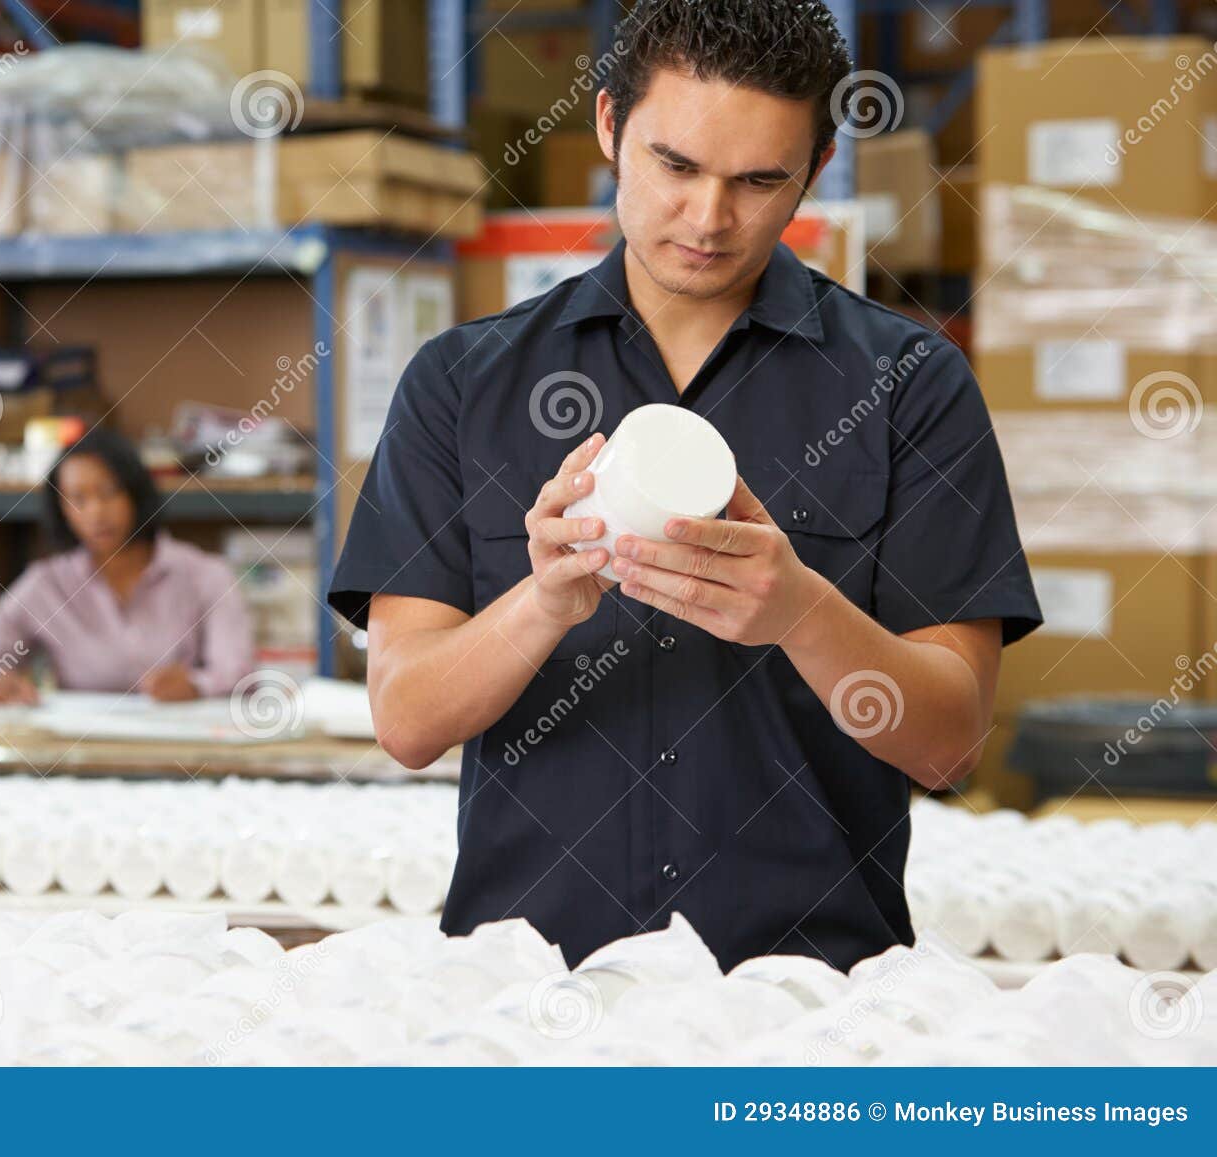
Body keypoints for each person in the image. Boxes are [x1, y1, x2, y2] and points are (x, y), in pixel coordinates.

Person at [328, 0, 1042, 971]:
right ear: (609, 126)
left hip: (803, 994)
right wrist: (539, 604)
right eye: (675, 166)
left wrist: (799, 611)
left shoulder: (907, 386)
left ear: (815, 172)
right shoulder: (463, 384)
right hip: (526, 990)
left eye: (758, 181)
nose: (709, 219)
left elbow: (948, 745)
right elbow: (405, 720)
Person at [0, 428, 254, 704]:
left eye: (109, 493)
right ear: (61, 510)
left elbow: (238, 672)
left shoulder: (205, 574)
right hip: (76, 751)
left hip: (186, 751)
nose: (96, 513)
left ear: (136, 493)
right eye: (78, 499)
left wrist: (195, 684)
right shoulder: (46, 583)